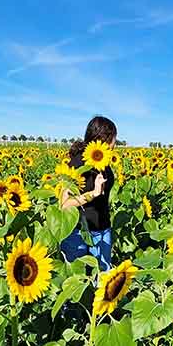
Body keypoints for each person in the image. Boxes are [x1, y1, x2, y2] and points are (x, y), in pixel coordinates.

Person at [60, 116, 117, 271]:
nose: (115, 144)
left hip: (102, 229)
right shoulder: (77, 164)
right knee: (77, 277)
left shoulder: (104, 162)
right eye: (113, 139)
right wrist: (93, 193)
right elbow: (64, 204)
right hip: (78, 232)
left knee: (103, 279)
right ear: (103, 138)